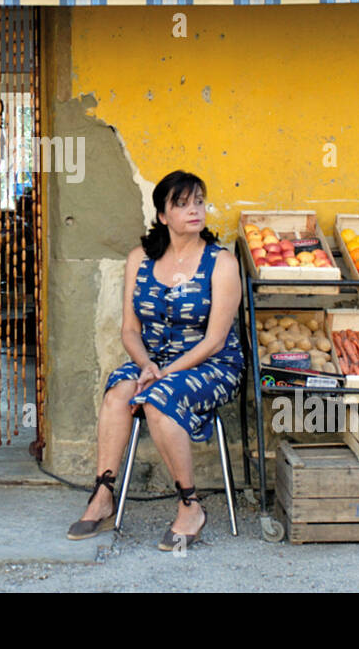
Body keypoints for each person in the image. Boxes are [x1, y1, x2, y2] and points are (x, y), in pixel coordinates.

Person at [67, 170, 243, 550]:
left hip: (211, 366)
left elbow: (214, 340)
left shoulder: (221, 263)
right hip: (154, 361)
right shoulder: (140, 259)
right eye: (182, 204)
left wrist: (163, 374)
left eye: (199, 201)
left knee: (159, 397)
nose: (195, 210)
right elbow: (130, 330)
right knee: (118, 393)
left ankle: (190, 505)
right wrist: (147, 365)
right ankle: (103, 494)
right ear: (163, 215)